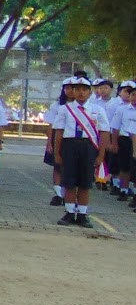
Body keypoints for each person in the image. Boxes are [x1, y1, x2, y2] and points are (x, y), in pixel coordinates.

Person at [54, 75, 104, 228]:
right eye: (77, 90)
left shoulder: (97, 110)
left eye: (84, 90)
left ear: (90, 92)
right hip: (70, 146)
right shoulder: (65, 109)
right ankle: (69, 212)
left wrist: (101, 155)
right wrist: (57, 153)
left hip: (89, 147)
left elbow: (104, 133)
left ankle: (82, 214)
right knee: (69, 181)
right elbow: (59, 132)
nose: (81, 93)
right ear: (72, 92)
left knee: (85, 182)